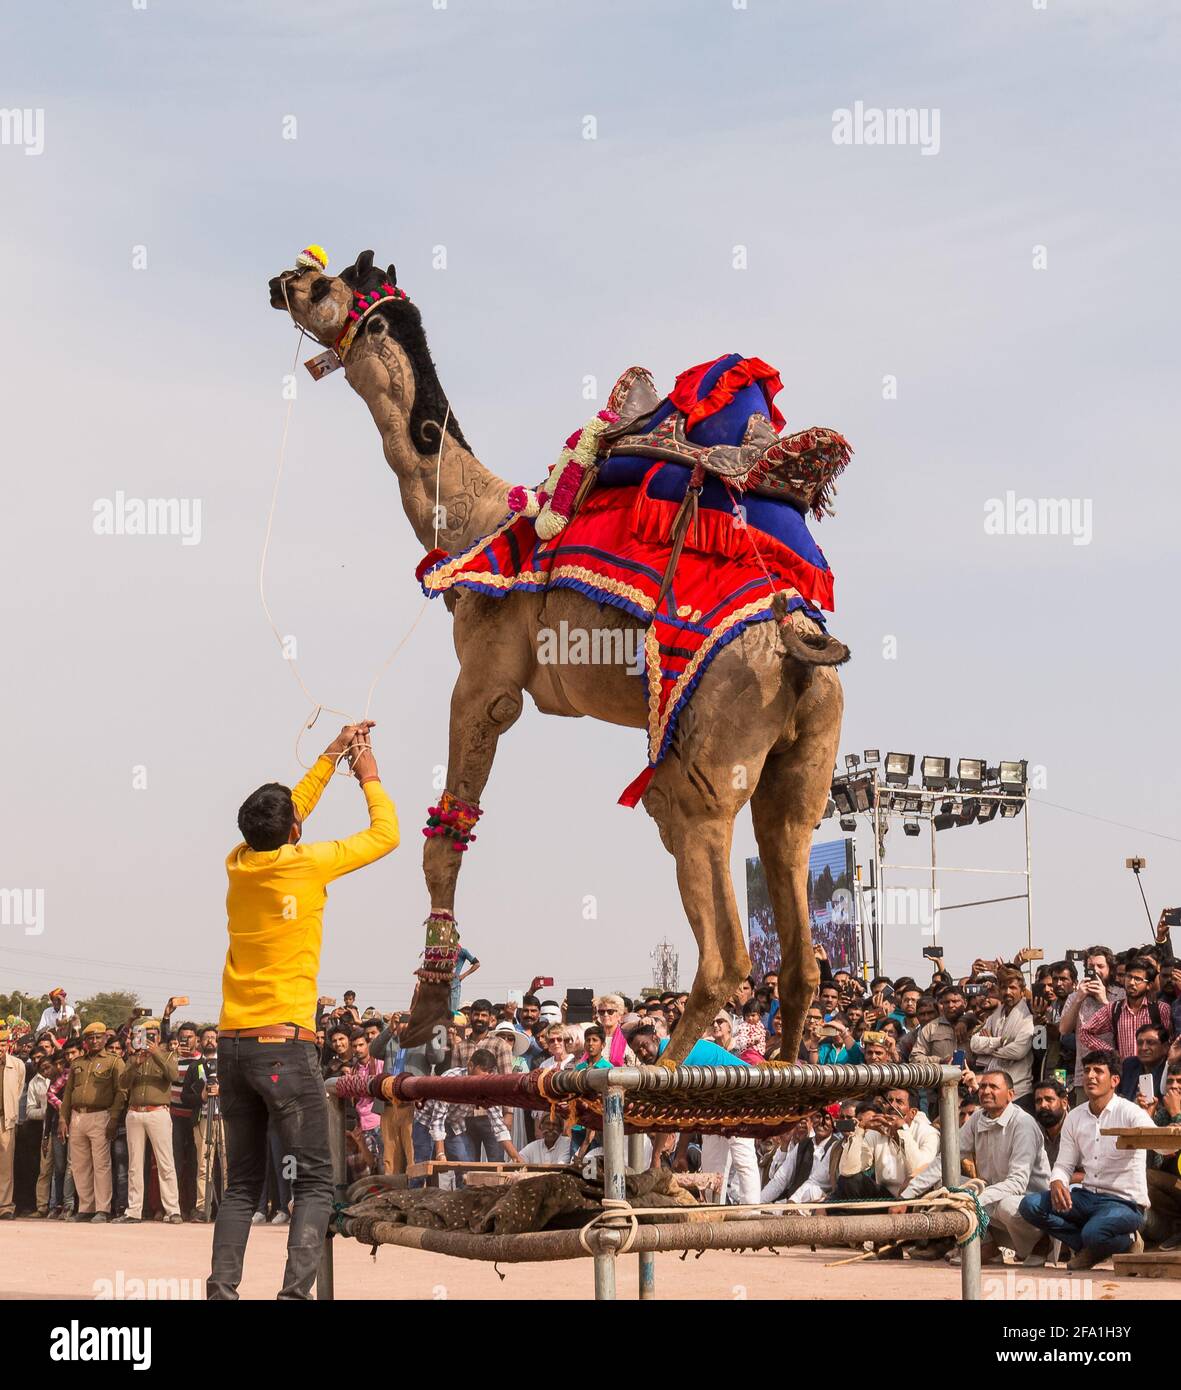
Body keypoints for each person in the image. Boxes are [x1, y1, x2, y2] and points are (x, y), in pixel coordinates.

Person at [210, 720, 399, 1302]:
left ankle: (222, 1293)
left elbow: (289, 814)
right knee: (316, 1180)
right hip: (284, 1048)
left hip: (233, 1045)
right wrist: (366, 773)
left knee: (241, 1185)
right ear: (294, 830)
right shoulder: (308, 863)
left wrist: (332, 752)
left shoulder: (239, 863)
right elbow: (386, 833)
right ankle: (293, 1298)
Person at [1018, 1050, 1157, 1270]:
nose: (1090, 1076)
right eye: (1087, 1070)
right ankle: (1092, 1247)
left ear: (1114, 1081)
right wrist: (1057, 1182)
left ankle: (1127, 1239)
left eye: (1098, 1071)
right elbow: (1064, 1165)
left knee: (1094, 1231)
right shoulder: (1075, 1116)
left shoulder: (1131, 1112)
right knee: (1030, 1205)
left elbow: (1160, 1144)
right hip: (1088, 1196)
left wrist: (1156, 1119)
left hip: (1125, 1203)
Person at [960, 1069, 1051, 1264]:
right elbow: (948, 1156)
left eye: (993, 1086)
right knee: (949, 1186)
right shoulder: (977, 1118)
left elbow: (1017, 1183)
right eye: (983, 1086)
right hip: (993, 1197)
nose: (985, 1091)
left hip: (1028, 1204)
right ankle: (988, 1247)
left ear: (1011, 1095)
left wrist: (976, 1199)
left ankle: (1041, 1245)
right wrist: (909, 1193)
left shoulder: (1023, 1124)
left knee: (1006, 1206)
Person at [113, 1018, 182, 1224]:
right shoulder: (133, 1058)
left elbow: (173, 1075)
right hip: (134, 1112)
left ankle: (173, 1209)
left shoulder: (168, 1054)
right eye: (144, 1035)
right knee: (134, 1164)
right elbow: (123, 1083)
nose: (148, 1039)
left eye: (152, 1035)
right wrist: (135, 1063)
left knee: (165, 1163)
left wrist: (156, 1054)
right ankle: (134, 1211)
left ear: (158, 1037)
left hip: (158, 1111)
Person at [60, 1021, 124, 1223]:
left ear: (105, 1038)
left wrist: (113, 1118)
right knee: (79, 1165)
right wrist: (63, 1118)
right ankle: (86, 1207)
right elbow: (68, 1092)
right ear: (85, 1041)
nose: (95, 1041)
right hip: (78, 1116)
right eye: (90, 1038)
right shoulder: (78, 1063)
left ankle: (103, 1208)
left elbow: (121, 1092)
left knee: (101, 1164)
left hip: (100, 1115)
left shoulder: (114, 1061)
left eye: (98, 1037)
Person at [422, 1048, 521, 1168]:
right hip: (425, 1120)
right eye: (484, 1070)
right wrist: (440, 1153)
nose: (487, 1075)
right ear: (470, 1066)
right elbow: (438, 1119)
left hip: (454, 1123)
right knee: (423, 1162)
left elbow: (499, 1125)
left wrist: (516, 1158)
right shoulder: (451, 1079)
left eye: (490, 1071)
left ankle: (462, 1186)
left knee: (465, 1166)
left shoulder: (487, 1086)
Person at [1058, 947, 1125, 1100]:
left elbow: (1122, 1029)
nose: (1095, 971)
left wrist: (1104, 1001)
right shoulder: (1075, 997)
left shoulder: (1121, 994)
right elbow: (1064, 1029)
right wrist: (1079, 998)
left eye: (1100, 966)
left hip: (1113, 1073)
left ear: (1110, 969)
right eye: (1090, 967)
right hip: (1084, 1076)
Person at [1082, 959, 1172, 1066]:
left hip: (1154, 1072)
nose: (1131, 982)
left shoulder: (1161, 1009)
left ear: (1149, 985)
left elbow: (1170, 1041)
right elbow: (1085, 1032)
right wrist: (1111, 1052)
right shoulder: (1113, 1009)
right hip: (1126, 1073)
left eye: (1138, 979)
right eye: (1129, 977)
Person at [969, 968, 1035, 1102]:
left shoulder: (1028, 1015)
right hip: (994, 1090)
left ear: (1022, 991)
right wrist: (1001, 1041)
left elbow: (1018, 1051)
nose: (1007, 992)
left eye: (1012, 987)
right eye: (1004, 987)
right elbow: (974, 1044)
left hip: (1019, 1092)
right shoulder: (996, 1015)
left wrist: (988, 1046)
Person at [0, 1025, 27, 1219]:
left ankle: (5, 1206)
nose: (0, 1047)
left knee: (5, 1166)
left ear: (8, 1045)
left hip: (5, 1119)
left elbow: (18, 1092)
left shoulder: (17, 1065)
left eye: (2, 1043)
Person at [1119, 1024, 1170, 1103]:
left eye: (1150, 1043)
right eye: (1140, 1043)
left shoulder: (1171, 1068)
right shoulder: (1129, 1065)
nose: (1144, 1048)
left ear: (1165, 1047)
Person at [1031, 1078, 1073, 1169]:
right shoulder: (1033, 1130)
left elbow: (1088, 1174)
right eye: (1038, 1101)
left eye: (1049, 1099)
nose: (1043, 1105)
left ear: (1064, 1103)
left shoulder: (1076, 1127)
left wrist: (1055, 1178)